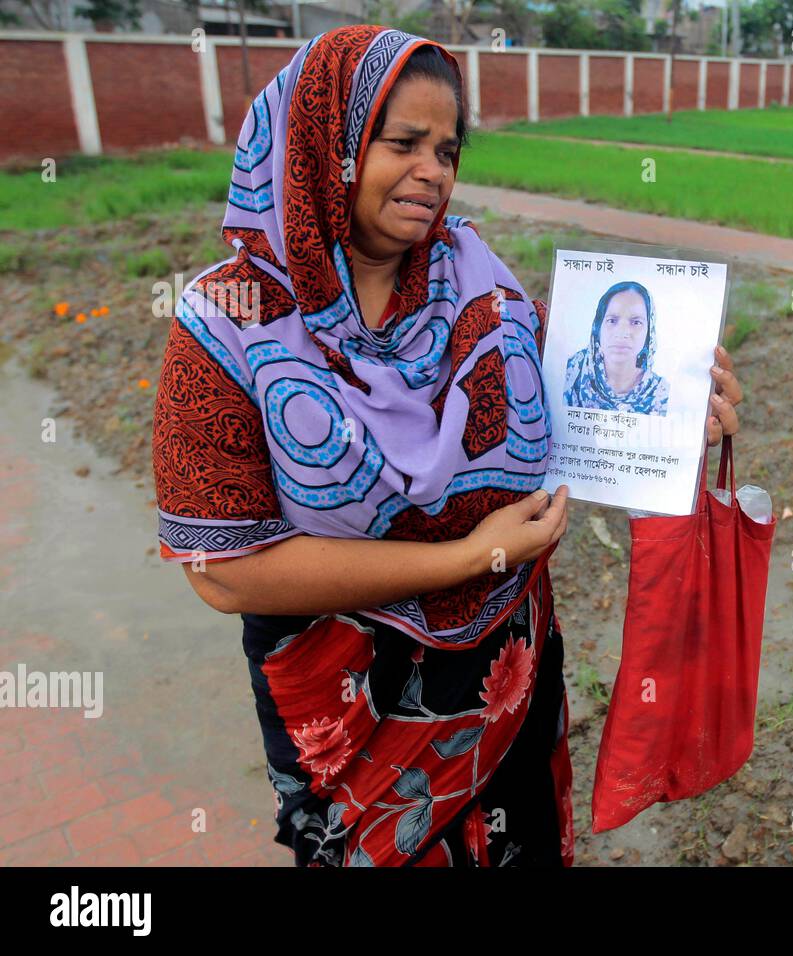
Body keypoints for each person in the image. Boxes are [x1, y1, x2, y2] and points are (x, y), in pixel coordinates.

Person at [150, 25, 743, 867]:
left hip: (506, 678)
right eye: (404, 144)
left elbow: (573, 425)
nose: (435, 170)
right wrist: (469, 558)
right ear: (328, 145)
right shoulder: (228, 322)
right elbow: (228, 571)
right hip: (358, 711)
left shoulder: (478, 278)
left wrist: (685, 418)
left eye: (449, 149)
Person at [563, 281, 670, 415]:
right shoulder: (571, 373)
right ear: (598, 327)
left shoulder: (661, 393)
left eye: (636, 322)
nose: (622, 332)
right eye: (612, 320)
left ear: (649, 333)